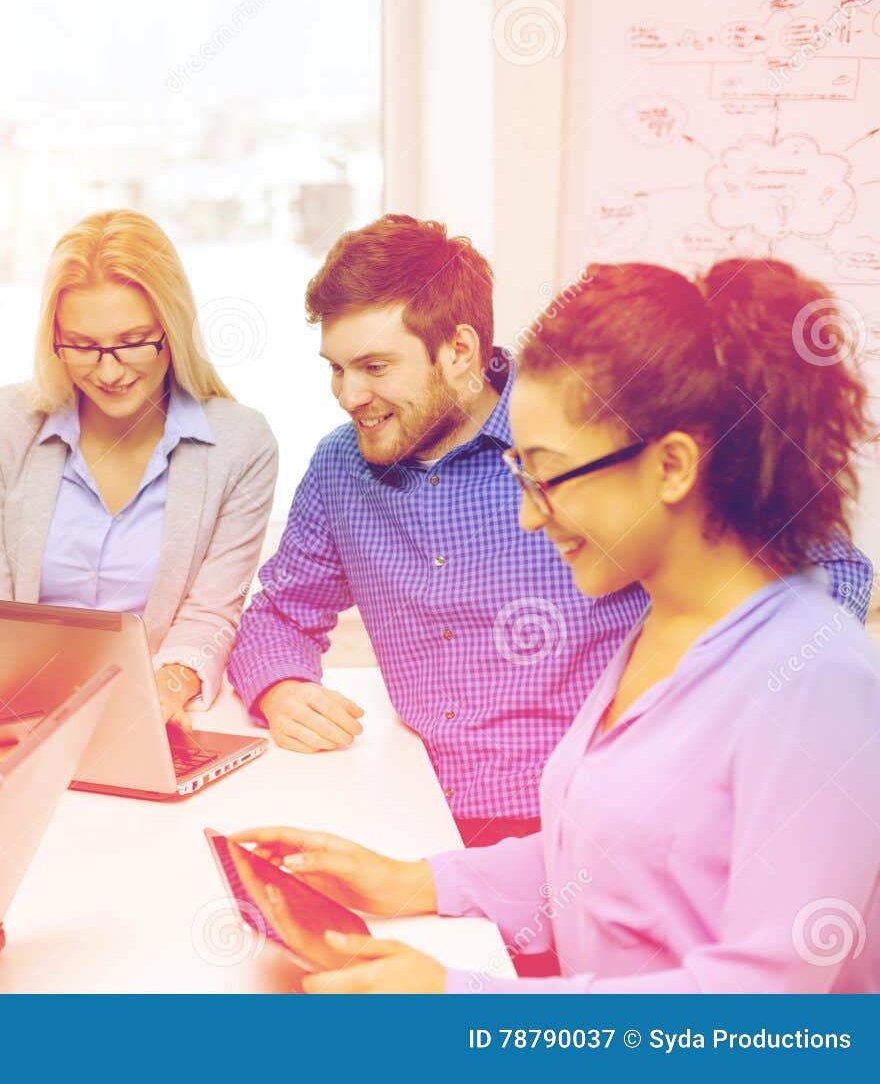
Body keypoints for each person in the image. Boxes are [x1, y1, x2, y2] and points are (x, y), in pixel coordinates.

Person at [236, 259, 880, 993]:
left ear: (670, 466)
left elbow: (765, 1013)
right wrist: (409, 881)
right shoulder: (660, 626)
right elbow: (597, 858)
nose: (526, 513)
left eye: (547, 476)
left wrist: (459, 1000)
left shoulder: (818, 683)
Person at [0, 210, 279, 725]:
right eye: (81, 346)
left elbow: (211, 614)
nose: (108, 371)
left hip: (151, 718)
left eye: (132, 341)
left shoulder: (240, 445)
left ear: (173, 329)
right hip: (16, 716)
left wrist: (165, 692)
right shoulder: (2, 428)